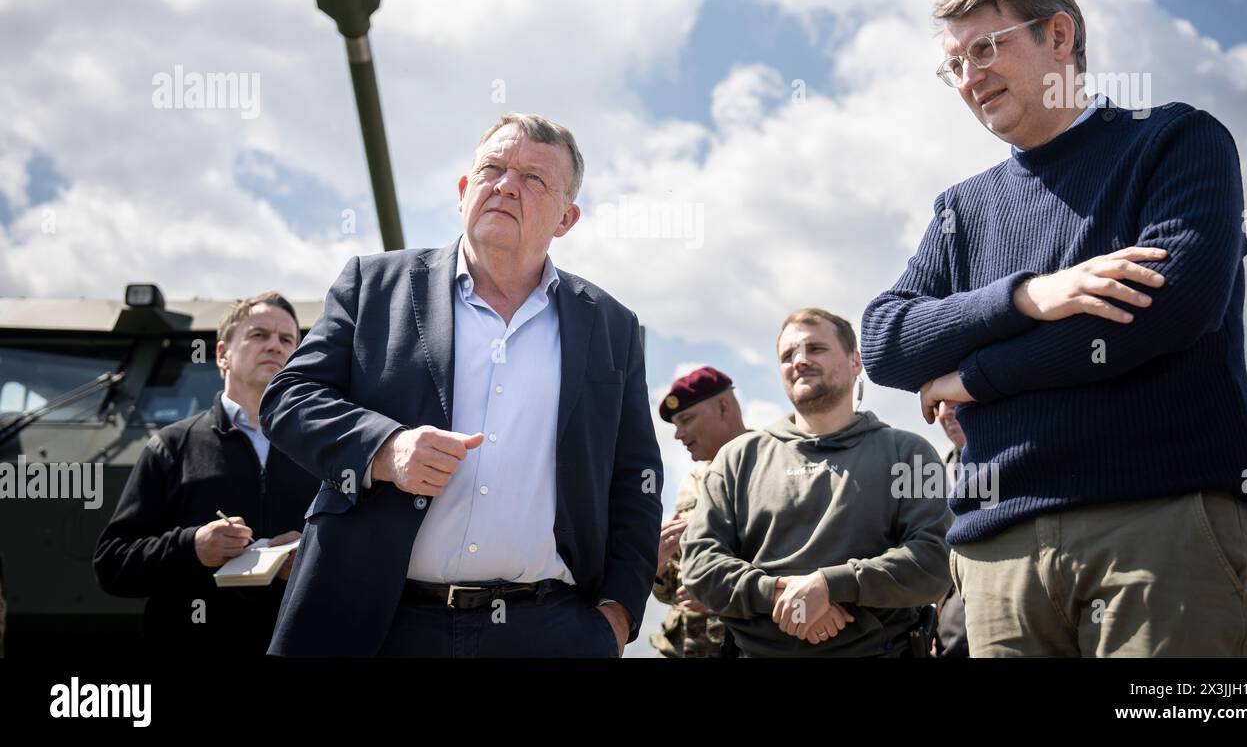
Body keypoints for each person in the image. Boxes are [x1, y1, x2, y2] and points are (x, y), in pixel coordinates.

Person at [860, 0, 1247, 657]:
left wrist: (973, 378)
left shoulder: (1176, 141)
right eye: (954, 64)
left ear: (1060, 35)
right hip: (997, 560)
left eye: (987, 48)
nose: (969, 78)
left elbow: (1169, 309)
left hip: (1160, 530)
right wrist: (1028, 296)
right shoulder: (961, 209)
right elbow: (884, 343)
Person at [260, 113, 662, 657]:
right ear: (462, 189)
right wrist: (385, 448)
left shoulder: (611, 326)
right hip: (375, 624)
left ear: (566, 218)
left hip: (551, 632)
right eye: (492, 168)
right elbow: (288, 399)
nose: (504, 186)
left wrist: (616, 614)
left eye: (533, 179)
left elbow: (634, 476)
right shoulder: (373, 286)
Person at [680, 308, 951, 657]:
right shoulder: (735, 459)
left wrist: (830, 585)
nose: (800, 361)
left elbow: (934, 559)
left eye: (816, 349)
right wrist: (780, 592)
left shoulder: (911, 453)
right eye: (788, 355)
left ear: (856, 362)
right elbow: (700, 565)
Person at [93, 292, 317, 655]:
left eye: (286, 339)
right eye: (259, 335)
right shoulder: (171, 446)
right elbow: (113, 563)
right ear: (222, 354)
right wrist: (192, 547)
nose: (275, 346)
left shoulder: (320, 450)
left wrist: (310, 561)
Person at [651, 366, 746, 658]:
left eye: (686, 420)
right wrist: (657, 566)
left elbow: (792, 563)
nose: (678, 434)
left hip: (741, 645)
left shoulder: (771, 466)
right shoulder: (691, 482)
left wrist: (725, 595)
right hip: (682, 647)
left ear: (723, 406)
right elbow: (674, 591)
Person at [932, 406, 968, 658]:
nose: (945, 412)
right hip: (948, 637)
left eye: (954, 399)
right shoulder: (938, 473)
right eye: (938, 403)